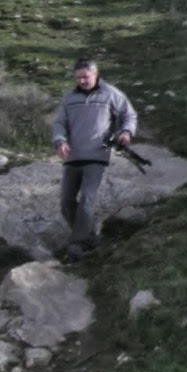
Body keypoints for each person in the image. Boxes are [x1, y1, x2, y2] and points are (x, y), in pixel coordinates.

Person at [50, 57, 138, 260]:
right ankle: (90, 238)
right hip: (72, 157)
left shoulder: (110, 94)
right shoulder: (69, 98)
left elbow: (129, 115)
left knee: (87, 199)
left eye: (86, 77)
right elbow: (59, 123)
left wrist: (125, 133)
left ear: (96, 74)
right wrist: (59, 141)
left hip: (96, 156)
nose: (82, 81)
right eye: (78, 78)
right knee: (66, 201)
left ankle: (77, 244)